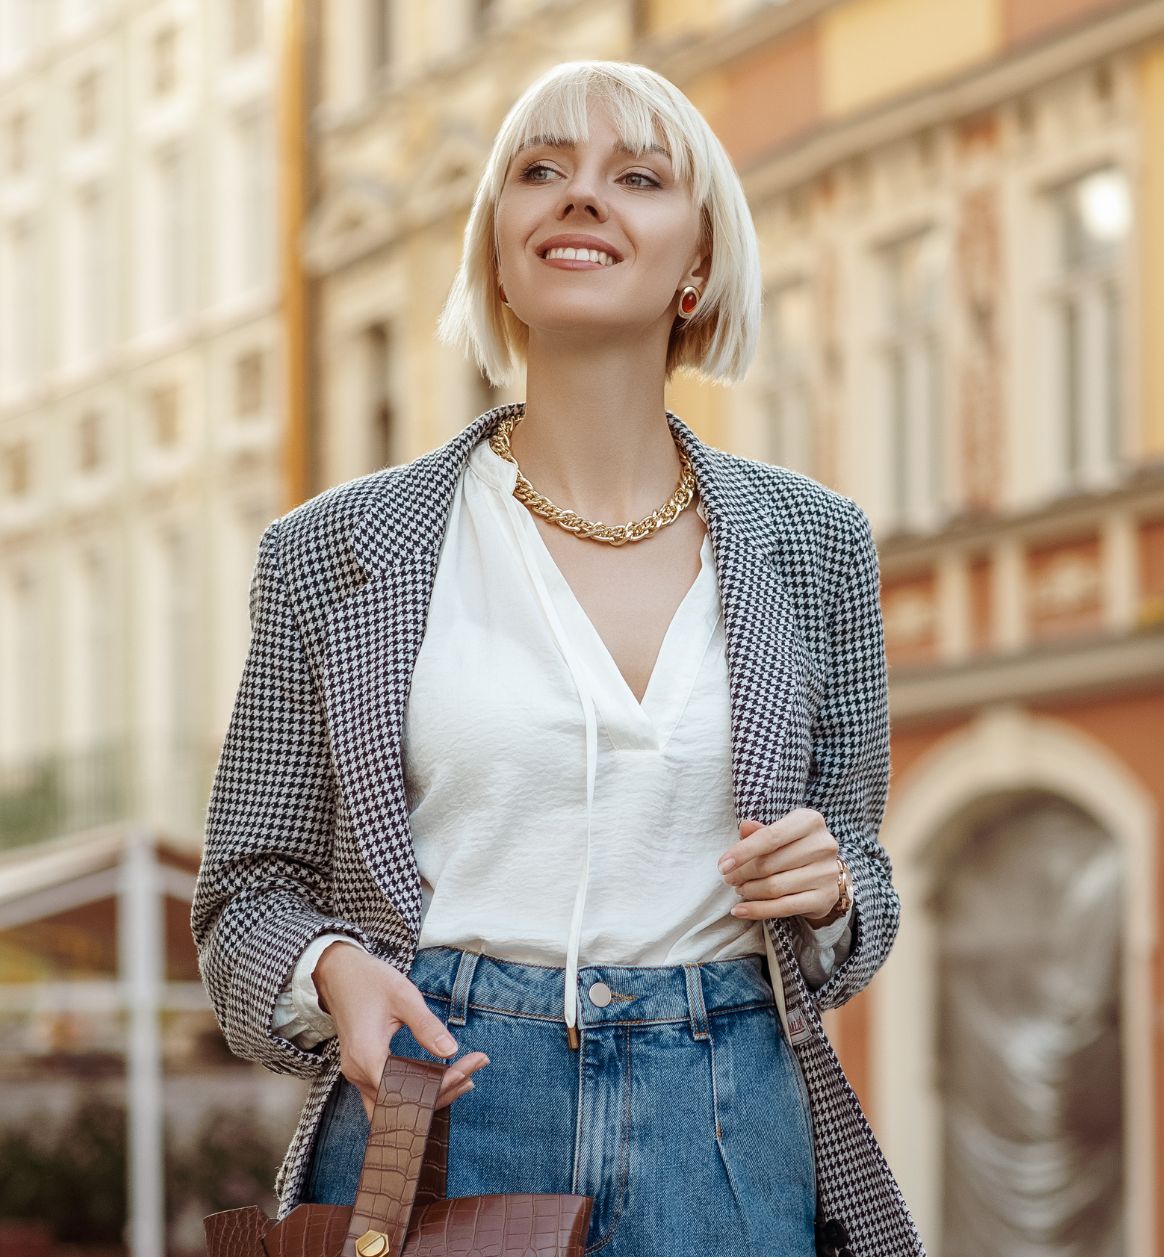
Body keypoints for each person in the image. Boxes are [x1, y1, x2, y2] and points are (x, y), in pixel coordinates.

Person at [191, 58, 923, 1257]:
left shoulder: (817, 546)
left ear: (696, 265)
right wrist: (331, 971)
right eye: (541, 172)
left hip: (727, 1125)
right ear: (497, 250)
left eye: (636, 177)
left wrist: (831, 888)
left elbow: (866, 897)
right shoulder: (332, 551)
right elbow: (243, 897)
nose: (580, 198)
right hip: (452, 1103)